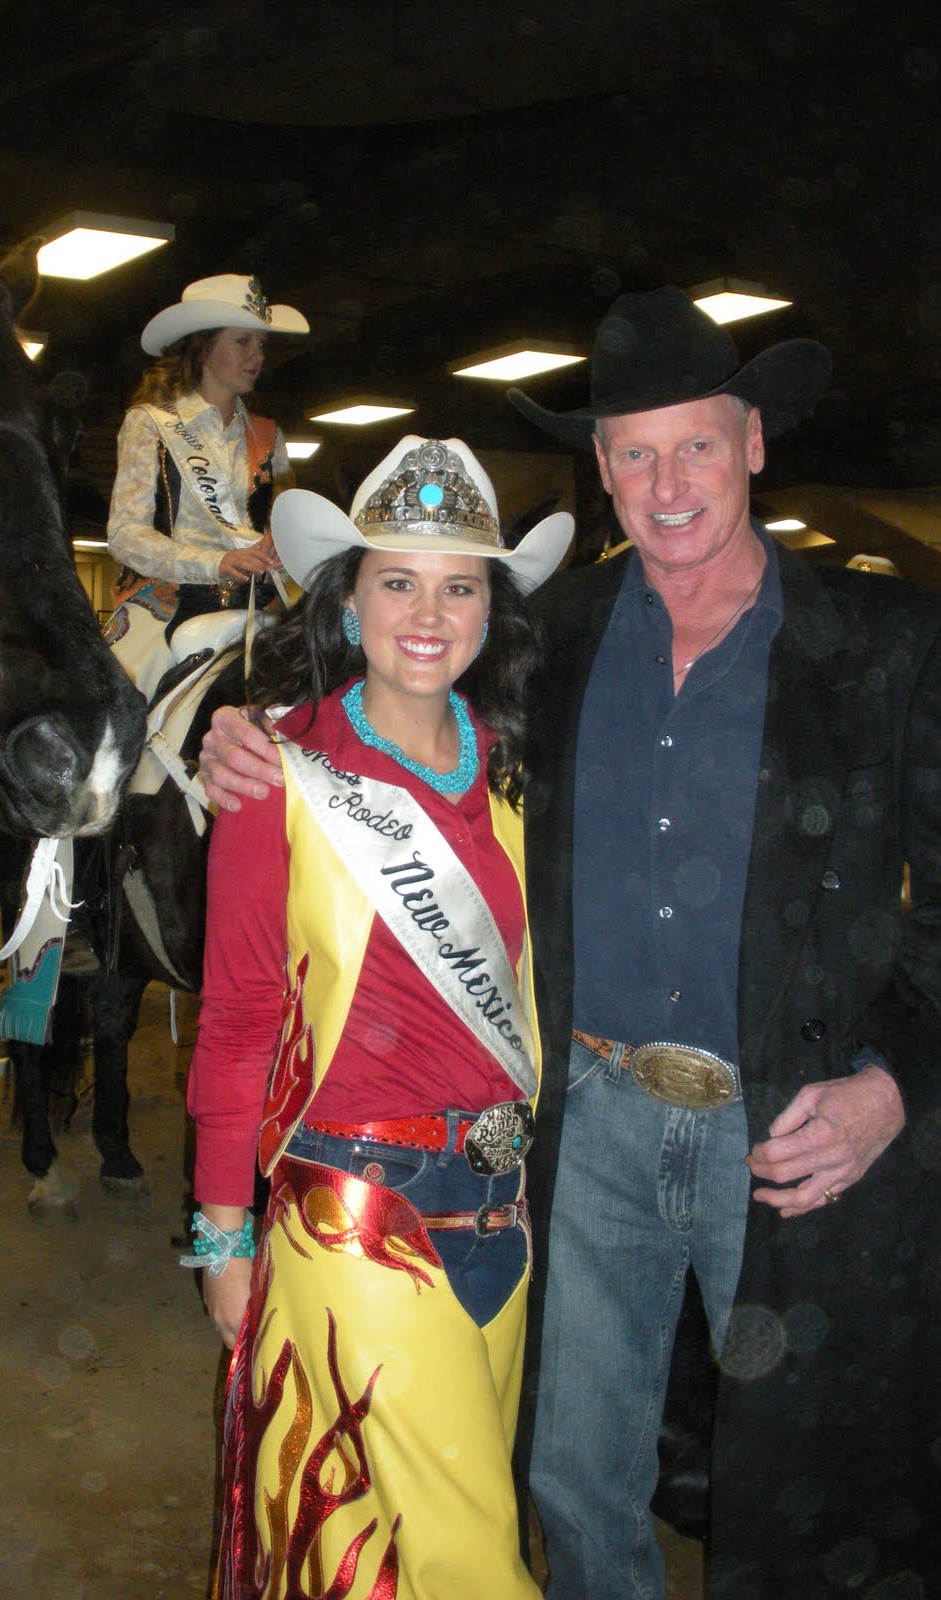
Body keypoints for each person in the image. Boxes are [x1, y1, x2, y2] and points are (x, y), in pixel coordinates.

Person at [198, 290, 941, 1600]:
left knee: (804, 1486)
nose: (668, 483)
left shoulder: (891, 645)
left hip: (790, 1127)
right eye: (635, 452)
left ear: (753, 443)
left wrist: (894, 1082)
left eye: (696, 444)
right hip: (582, 1125)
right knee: (573, 1478)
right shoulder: (558, 641)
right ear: (600, 467)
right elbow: (396, 714)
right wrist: (244, 736)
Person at [182, 436, 572, 1599]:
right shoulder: (280, 771)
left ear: (491, 613)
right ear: (349, 602)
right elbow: (239, 1018)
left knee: (370, 1558)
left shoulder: (516, 772)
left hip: (502, 1216)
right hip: (356, 1216)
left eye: (460, 587)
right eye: (398, 581)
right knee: (476, 1564)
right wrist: (222, 1234)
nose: (429, 613)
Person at [104, 273, 308, 700]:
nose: (257, 356)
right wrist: (216, 562)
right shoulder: (150, 424)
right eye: (242, 342)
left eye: (261, 344)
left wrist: (282, 545)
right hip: (174, 600)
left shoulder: (269, 436)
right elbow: (125, 535)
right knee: (115, 707)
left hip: (260, 599)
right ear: (203, 348)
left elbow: (283, 520)